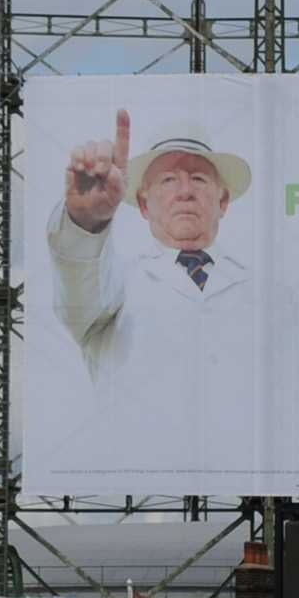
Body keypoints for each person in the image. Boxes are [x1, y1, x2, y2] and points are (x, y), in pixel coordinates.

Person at [47, 111, 257, 392]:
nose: (185, 192)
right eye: (168, 179)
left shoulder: (271, 296)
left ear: (223, 200)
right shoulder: (114, 284)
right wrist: (86, 221)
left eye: (198, 179)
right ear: (144, 204)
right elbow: (78, 291)